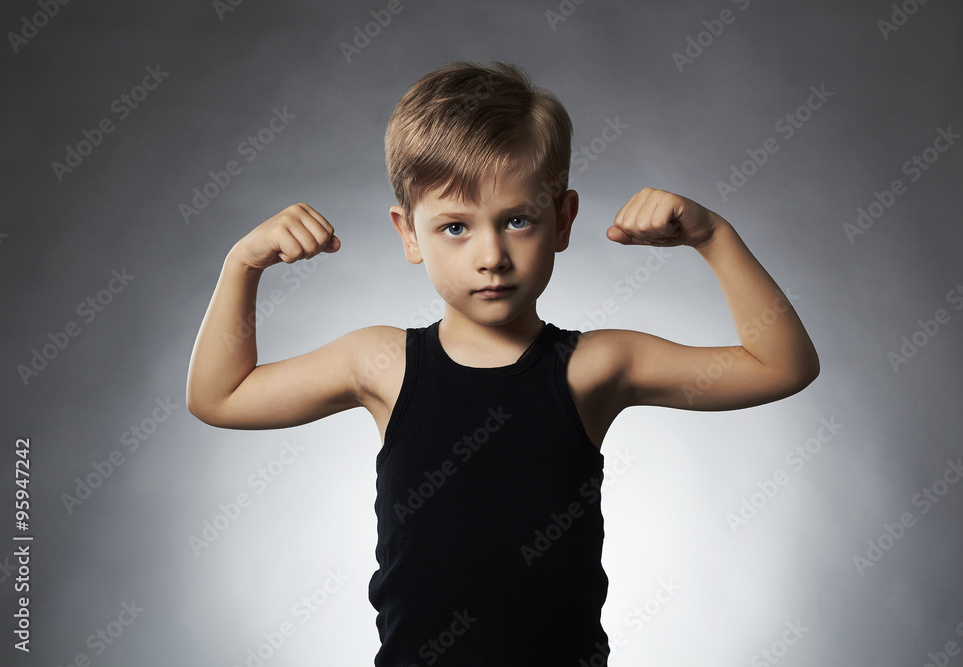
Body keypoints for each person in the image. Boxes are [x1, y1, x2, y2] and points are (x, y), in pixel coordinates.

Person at [186, 60, 820, 666]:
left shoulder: (595, 365)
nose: (491, 255)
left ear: (563, 220)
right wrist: (241, 266)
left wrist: (714, 238)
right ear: (409, 234)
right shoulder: (381, 361)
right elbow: (221, 396)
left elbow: (782, 365)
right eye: (455, 228)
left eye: (517, 220)